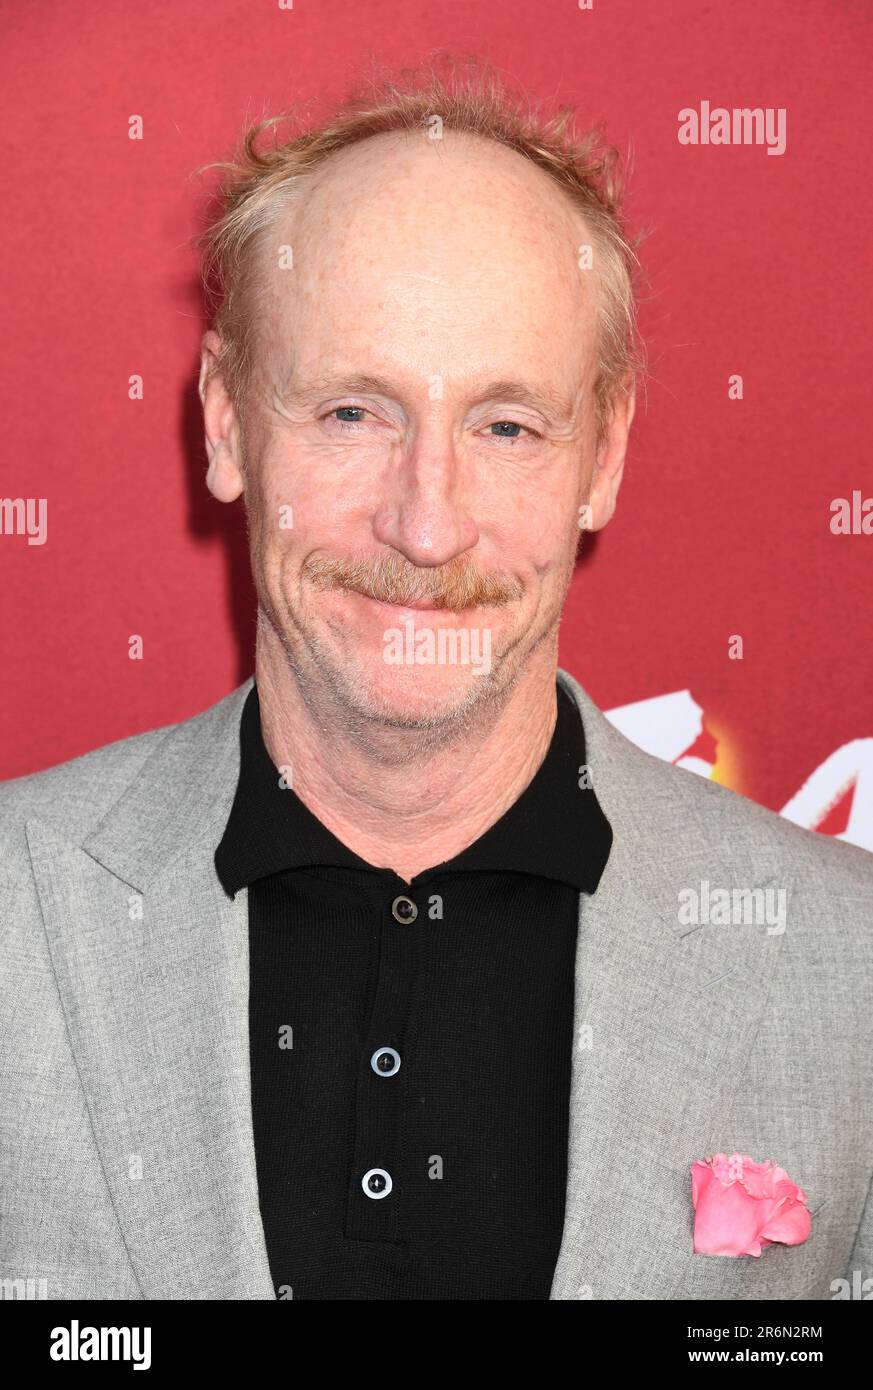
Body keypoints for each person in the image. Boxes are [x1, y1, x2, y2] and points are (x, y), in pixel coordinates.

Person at [1, 61, 871, 1301]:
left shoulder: (852, 964)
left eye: (506, 425)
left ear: (604, 457)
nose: (426, 526)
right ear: (225, 421)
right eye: (353, 412)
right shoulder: (12, 912)